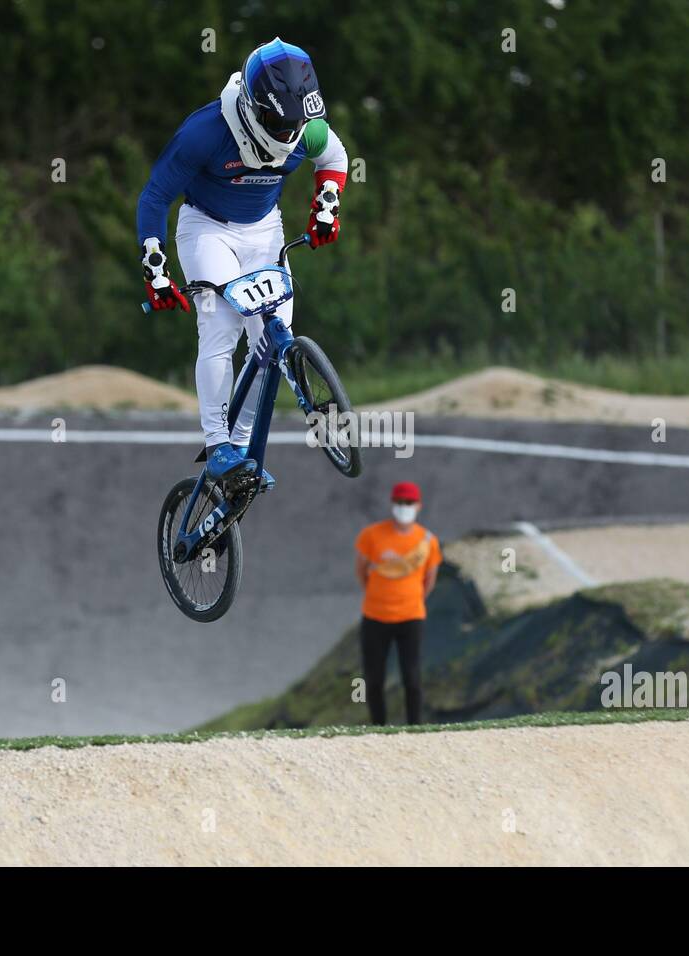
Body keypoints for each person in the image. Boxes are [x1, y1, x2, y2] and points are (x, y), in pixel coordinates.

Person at [135, 37, 349, 489]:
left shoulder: (304, 128)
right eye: (277, 119)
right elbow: (155, 196)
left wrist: (327, 204)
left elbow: (334, 156)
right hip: (207, 231)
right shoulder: (205, 132)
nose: (289, 133)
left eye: (296, 121)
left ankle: (241, 452)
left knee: (273, 343)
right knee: (221, 329)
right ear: (253, 105)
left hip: (264, 230)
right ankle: (217, 448)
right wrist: (155, 270)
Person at [354, 481, 442, 725]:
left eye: (409, 503)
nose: (404, 507)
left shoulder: (428, 541)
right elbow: (361, 570)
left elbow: (430, 579)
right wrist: (375, 593)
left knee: (412, 678)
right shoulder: (371, 535)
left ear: (418, 506)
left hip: (410, 617)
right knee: (374, 679)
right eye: (400, 502)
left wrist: (412, 598)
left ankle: (415, 727)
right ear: (393, 504)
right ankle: (379, 728)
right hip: (375, 616)